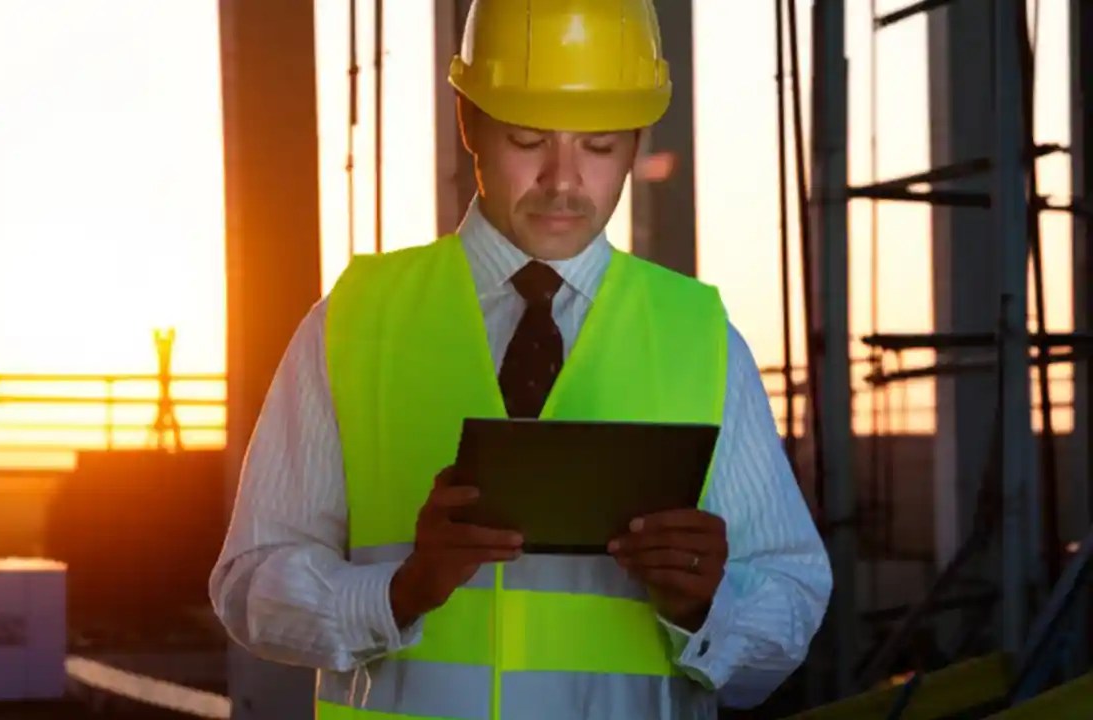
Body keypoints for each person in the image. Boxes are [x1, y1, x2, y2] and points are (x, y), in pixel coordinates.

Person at [210, 1, 832, 717]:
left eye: (599, 147)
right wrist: (398, 592)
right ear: (468, 123)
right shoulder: (353, 324)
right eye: (528, 138)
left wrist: (705, 608)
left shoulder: (700, 336)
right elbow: (249, 586)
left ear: (635, 143)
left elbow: (790, 603)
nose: (563, 181)